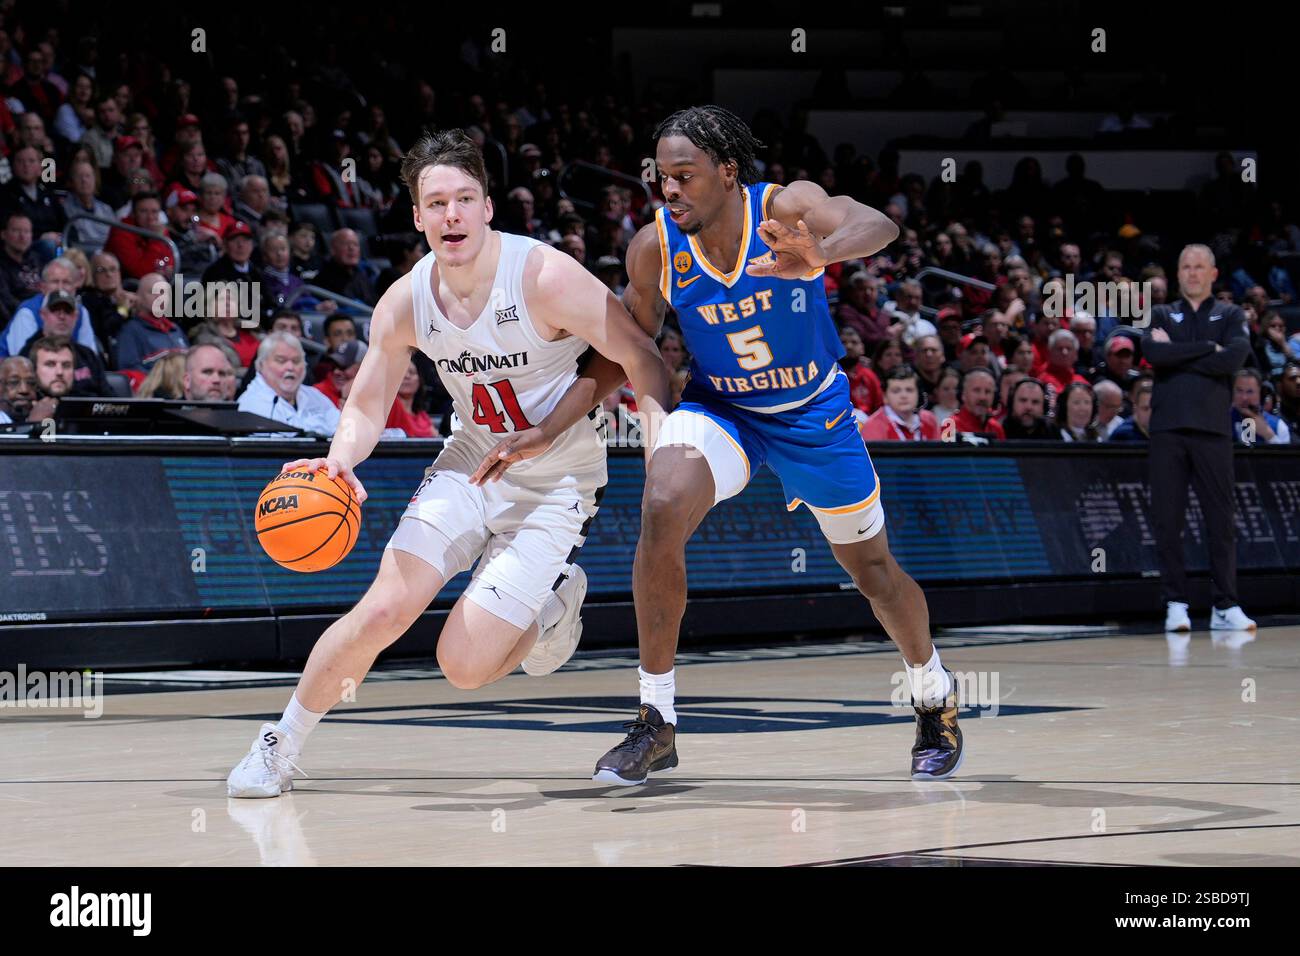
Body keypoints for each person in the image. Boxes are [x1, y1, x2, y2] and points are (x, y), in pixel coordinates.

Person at [512, 106, 963, 785]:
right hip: (726, 410)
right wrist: (553, 422)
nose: (671, 191)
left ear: (727, 172)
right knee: (662, 504)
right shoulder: (655, 246)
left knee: (874, 574)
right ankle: (655, 721)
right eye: (663, 178)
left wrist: (823, 252)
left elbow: (878, 223)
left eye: (685, 176)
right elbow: (628, 350)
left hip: (812, 413)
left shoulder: (788, 207)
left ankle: (933, 697)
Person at [225, 128, 669, 798]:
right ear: (416, 216)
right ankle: (280, 742)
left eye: (465, 198)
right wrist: (339, 461)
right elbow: (368, 400)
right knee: (382, 610)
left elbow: (639, 354)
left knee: (462, 667)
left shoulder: (543, 275)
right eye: (437, 203)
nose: (452, 214)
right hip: (471, 459)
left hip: (557, 481)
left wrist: (660, 449)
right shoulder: (406, 298)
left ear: (488, 206)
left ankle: (553, 607)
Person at [1143, 244, 1255, 633]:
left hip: (1213, 430)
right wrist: (1208, 348)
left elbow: (1234, 358)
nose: (1192, 273)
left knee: (1220, 520)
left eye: (1199, 267)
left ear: (1213, 273)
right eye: (1185, 266)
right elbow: (1153, 353)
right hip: (1167, 429)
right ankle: (1176, 602)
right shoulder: (1159, 312)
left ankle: (1226, 605)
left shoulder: (1231, 313)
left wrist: (1178, 351)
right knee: (1167, 519)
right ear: (1178, 274)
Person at [860, 365, 939, 440]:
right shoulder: (873, 426)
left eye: (909, 390)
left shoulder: (930, 420)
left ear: (918, 394)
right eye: (896, 391)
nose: (903, 396)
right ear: (885, 397)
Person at [1231, 367, 1291, 444]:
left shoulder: (1279, 426)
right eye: (1239, 391)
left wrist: (1269, 435)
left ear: (1260, 393)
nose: (1244, 397)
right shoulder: (1220, 422)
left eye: (1250, 392)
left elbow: (1286, 456)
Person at [948, 366, 1005, 439]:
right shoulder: (950, 426)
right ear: (963, 394)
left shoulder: (996, 428)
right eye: (976, 390)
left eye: (988, 391)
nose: (982, 397)